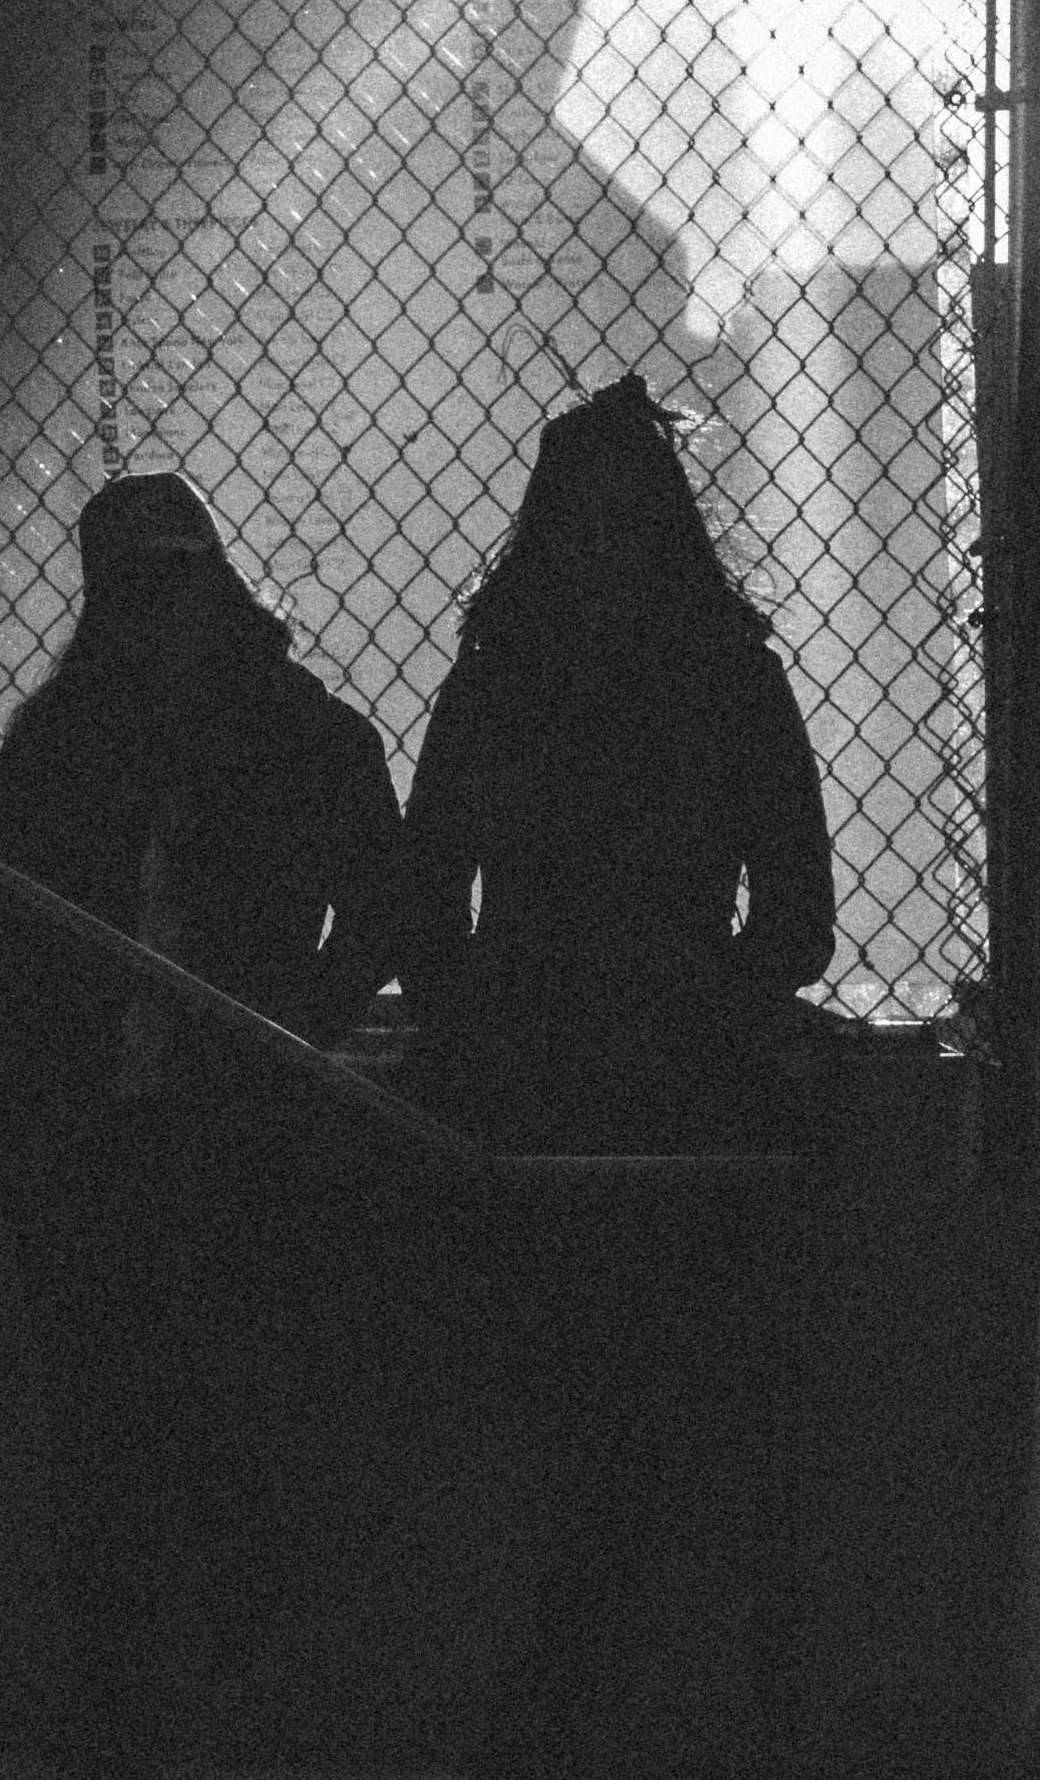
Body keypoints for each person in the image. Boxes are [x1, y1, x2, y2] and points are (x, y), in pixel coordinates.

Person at [400, 377, 835, 1774]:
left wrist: (486, 1022)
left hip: (529, 1095)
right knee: (674, 1423)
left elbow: (426, 903)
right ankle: (649, 1701)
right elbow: (801, 924)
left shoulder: (501, 669)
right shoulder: (728, 667)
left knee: (561, 1417)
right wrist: (694, 992)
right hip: (685, 1097)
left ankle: (555, 1701)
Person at [0, 470, 404, 1775]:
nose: (158, 610)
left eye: (172, 580)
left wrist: (287, 1024)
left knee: (206, 1410)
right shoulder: (97, 741)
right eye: (138, 587)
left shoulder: (237, 732)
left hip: (209, 1127)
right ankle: (156, 1697)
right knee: (122, 1415)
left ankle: (207, 1689)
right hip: (117, 1129)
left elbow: (382, 898)